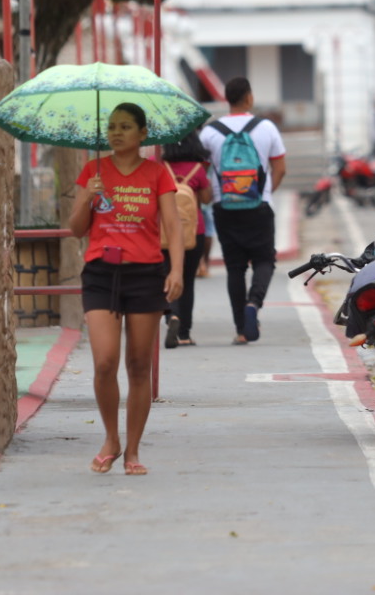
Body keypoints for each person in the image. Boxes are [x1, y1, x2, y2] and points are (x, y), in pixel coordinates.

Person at [67, 102, 181, 476]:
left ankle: (132, 449)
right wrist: (87, 196)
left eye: (126, 126)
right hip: (101, 275)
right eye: (112, 126)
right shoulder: (93, 171)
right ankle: (111, 439)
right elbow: (76, 229)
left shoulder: (157, 173)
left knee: (138, 364)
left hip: (145, 275)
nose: (116, 133)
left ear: (143, 133)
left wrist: (177, 270)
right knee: (104, 361)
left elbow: (173, 225)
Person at [200, 77, 287, 345]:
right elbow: (280, 168)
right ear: (249, 97)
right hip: (259, 206)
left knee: (235, 268)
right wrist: (265, 192)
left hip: (224, 207)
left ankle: (241, 329)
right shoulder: (266, 127)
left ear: (227, 99)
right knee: (264, 260)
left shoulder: (209, 132)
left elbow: (201, 173)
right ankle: (254, 303)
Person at [160, 129, 213, 348]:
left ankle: (171, 314)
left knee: (167, 276)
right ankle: (184, 334)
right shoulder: (197, 169)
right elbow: (207, 199)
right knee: (187, 281)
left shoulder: (160, 168)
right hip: (193, 232)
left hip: (164, 231)